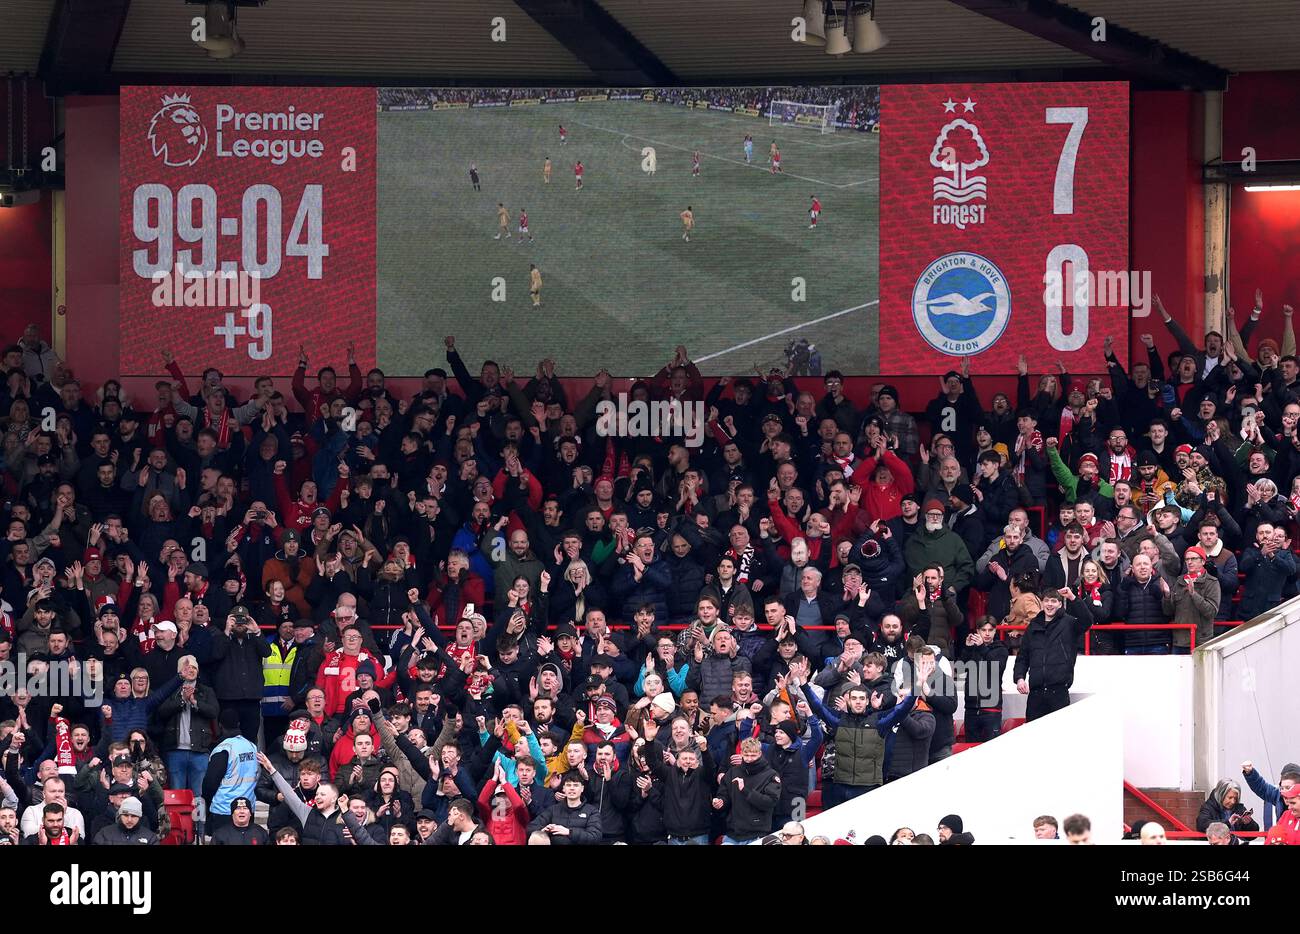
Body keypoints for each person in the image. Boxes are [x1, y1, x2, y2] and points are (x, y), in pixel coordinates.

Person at [1013, 587, 1093, 720]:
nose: (1050, 604)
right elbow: (1023, 656)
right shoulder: (1033, 625)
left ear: (1060, 604)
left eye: (1054, 601)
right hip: (1035, 694)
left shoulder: (1069, 623)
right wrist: (1019, 678)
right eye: (1046, 600)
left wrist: (1073, 598)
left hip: (1059, 692)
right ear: (1042, 603)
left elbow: (1087, 621)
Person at [202, 708, 259, 838]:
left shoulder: (224, 748)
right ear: (238, 724)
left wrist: (207, 800)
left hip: (224, 809)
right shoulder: (251, 746)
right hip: (247, 808)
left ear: (220, 725)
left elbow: (210, 783)